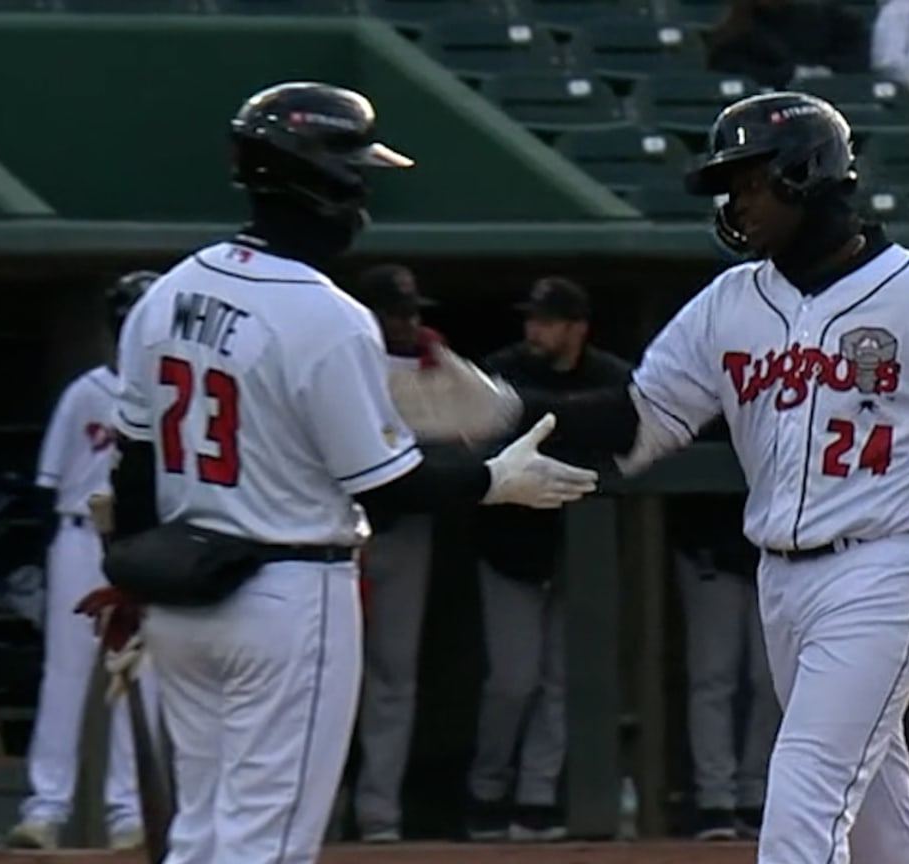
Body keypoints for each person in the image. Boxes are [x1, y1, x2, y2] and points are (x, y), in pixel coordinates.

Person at [387, 90, 909, 864]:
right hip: (782, 581)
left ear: (806, 174)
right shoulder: (730, 301)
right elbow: (641, 416)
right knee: (880, 826)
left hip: (885, 569)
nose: (736, 202)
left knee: (803, 790)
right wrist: (506, 406)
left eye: (750, 181)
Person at [101, 81, 598, 864]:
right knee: (266, 841)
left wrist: (129, 578)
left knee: (199, 834)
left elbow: (132, 462)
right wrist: (493, 479)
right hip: (286, 592)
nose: (363, 189)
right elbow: (388, 486)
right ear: (319, 178)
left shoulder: (171, 290)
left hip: (181, 588)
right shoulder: (326, 315)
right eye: (354, 170)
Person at [464, 277, 634, 842]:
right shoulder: (501, 367)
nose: (534, 330)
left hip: (579, 548)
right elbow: (476, 433)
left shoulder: (609, 374)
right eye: (531, 319)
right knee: (513, 680)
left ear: (577, 328)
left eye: (547, 321)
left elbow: (625, 422)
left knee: (563, 680)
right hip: (510, 546)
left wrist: (540, 412)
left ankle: (535, 797)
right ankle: (486, 790)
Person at [7, 271, 161, 853]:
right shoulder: (87, 391)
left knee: (138, 677)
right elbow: (47, 487)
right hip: (80, 535)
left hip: (141, 539)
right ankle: (45, 809)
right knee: (67, 675)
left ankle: (128, 812)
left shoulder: (173, 394)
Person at [349, 263, 444, 843]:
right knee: (328, 675)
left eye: (413, 312)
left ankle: (377, 814)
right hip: (338, 529)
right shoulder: (343, 356)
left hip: (406, 531)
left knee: (392, 676)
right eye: (397, 313)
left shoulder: (435, 364)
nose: (409, 323)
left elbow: (479, 423)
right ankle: (324, 806)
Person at [670, 485, 780, 841]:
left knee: (773, 678)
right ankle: (713, 797)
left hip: (777, 547)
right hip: (710, 541)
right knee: (712, 675)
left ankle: (756, 792)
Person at [707, 0, 870, 88]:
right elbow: (730, 70)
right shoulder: (735, 31)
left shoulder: (835, 20)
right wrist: (788, 74)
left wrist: (822, 73)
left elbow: (856, 62)